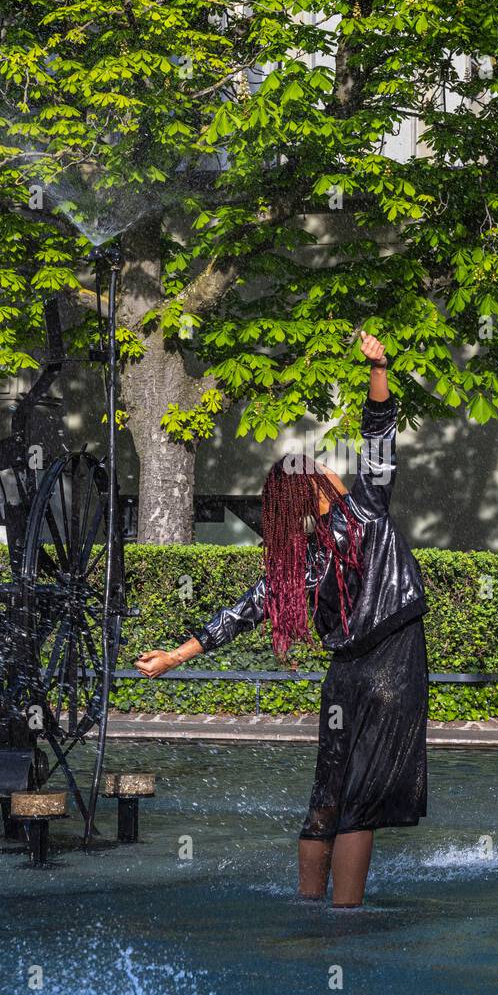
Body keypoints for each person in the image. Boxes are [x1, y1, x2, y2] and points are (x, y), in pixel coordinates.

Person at [135, 333, 428, 908]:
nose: (334, 469)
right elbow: (380, 433)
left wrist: (174, 656)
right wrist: (380, 367)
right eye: (323, 467)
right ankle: (347, 918)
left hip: (344, 677)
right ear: (317, 486)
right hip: (393, 666)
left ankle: (309, 905)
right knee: (362, 799)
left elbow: (240, 615)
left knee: (328, 790)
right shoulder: (367, 510)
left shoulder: (295, 565)